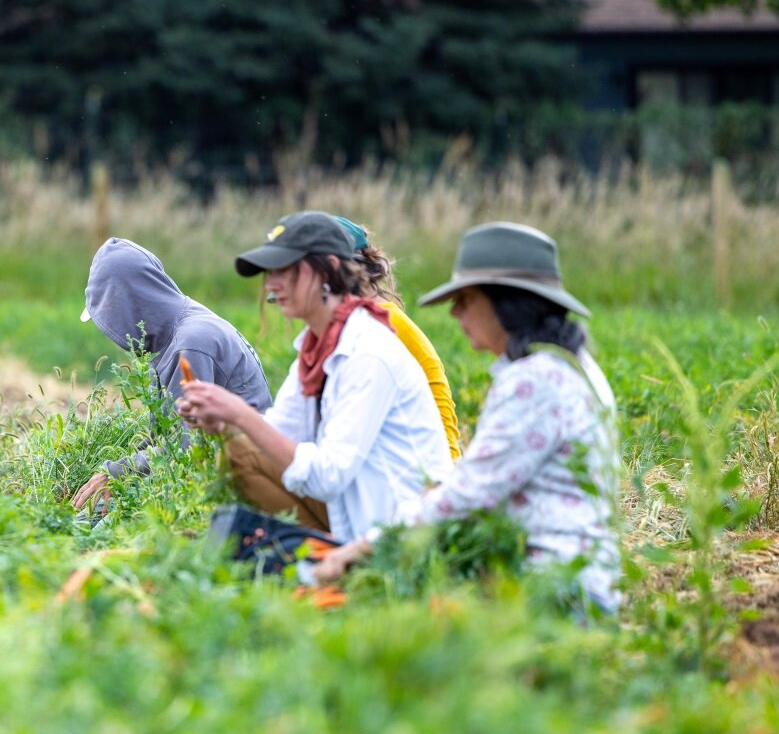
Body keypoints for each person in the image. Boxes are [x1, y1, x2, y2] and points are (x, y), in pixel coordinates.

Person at [311, 223, 621, 614]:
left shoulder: (535, 381)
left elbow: (469, 494)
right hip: (574, 579)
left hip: (555, 591)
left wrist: (364, 545)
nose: (455, 312)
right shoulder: (572, 365)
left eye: (465, 299)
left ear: (505, 303)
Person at [177, 212, 451, 543]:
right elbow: (278, 433)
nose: (272, 284)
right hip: (355, 505)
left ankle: (335, 554)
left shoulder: (368, 352)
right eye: (270, 273)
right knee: (239, 450)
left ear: (329, 269)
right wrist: (222, 419)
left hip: (406, 529)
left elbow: (328, 475)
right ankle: (323, 552)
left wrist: (240, 414)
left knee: (247, 449)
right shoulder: (316, 347)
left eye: (284, 270)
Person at [69, 237, 272, 512]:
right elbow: (170, 434)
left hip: (244, 488)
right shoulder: (178, 328)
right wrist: (124, 466)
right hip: (219, 471)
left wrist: (117, 473)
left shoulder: (190, 345)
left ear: (127, 304)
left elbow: (185, 453)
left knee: (93, 522)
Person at [334, 215, 462, 460]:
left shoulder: (383, 320)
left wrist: (448, 461)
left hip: (431, 458)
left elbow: (436, 394)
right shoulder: (357, 319)